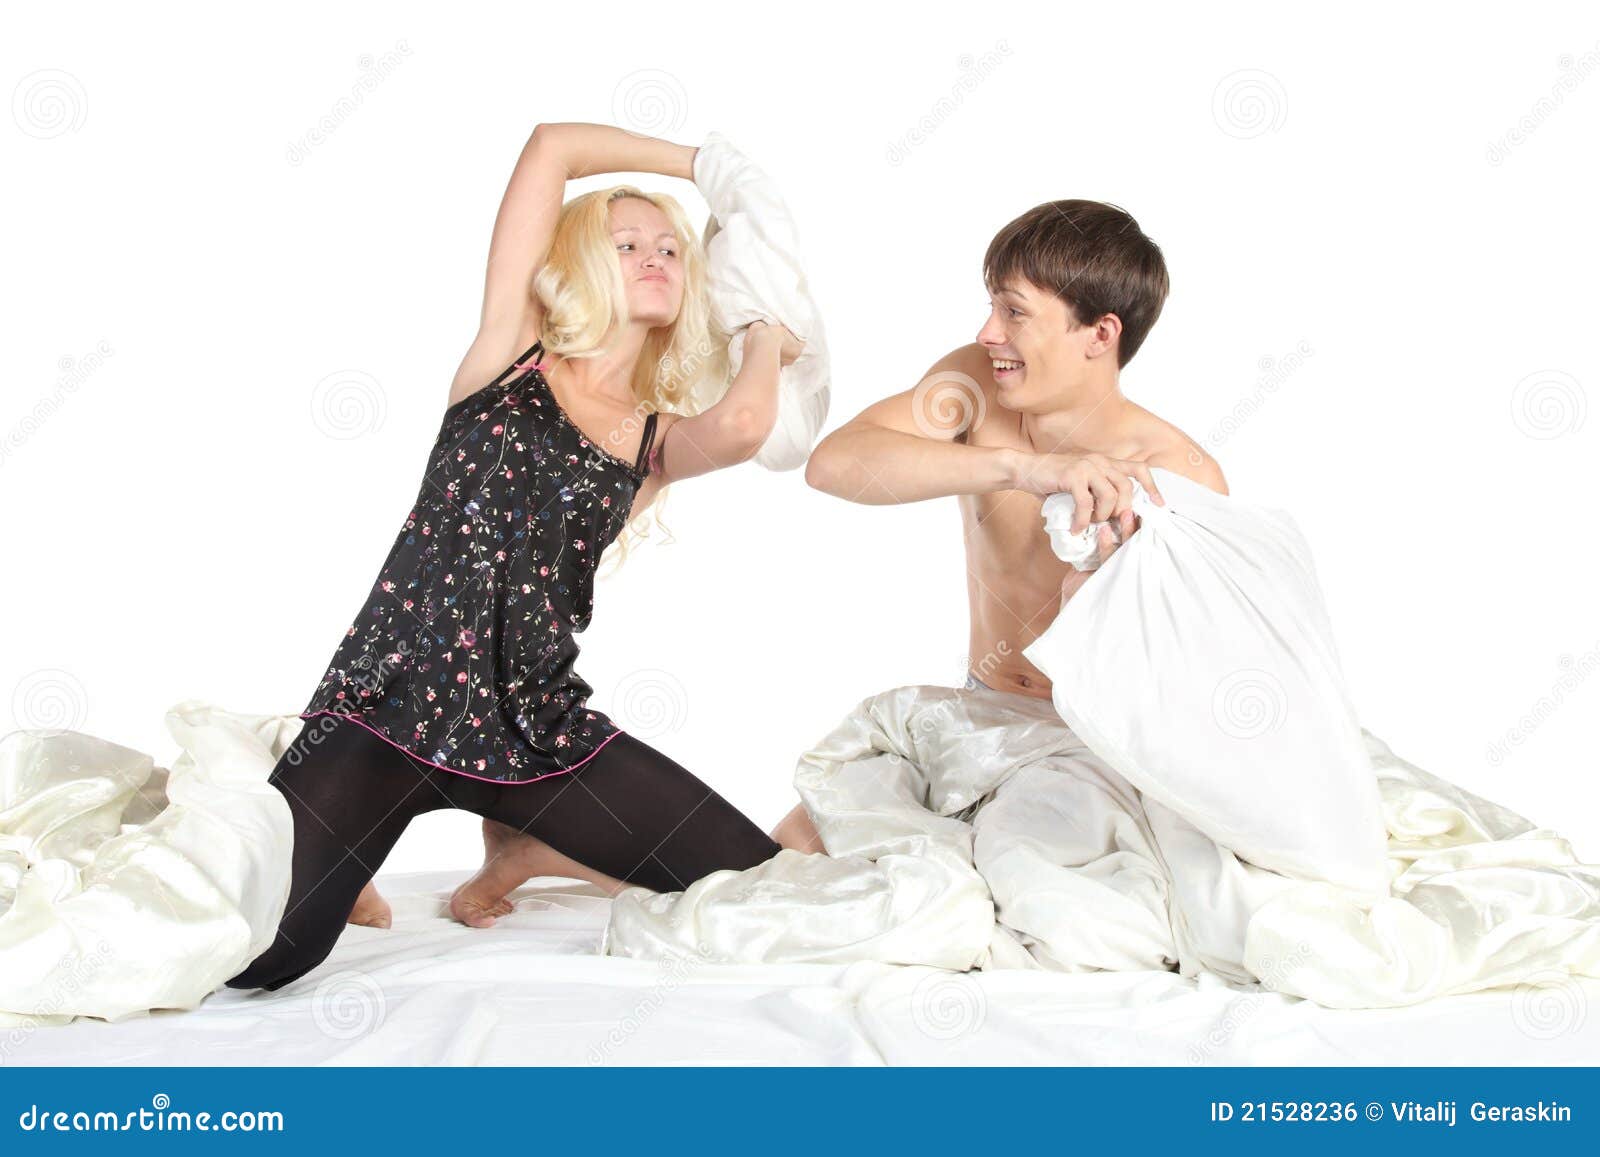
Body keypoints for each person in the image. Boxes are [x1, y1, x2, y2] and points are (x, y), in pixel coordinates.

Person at [228, 122, 809, 992]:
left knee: (757, 884)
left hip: (537, 731)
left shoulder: (649, 439)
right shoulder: (513, 350)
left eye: (670, 248)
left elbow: (741, 425)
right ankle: (347, 854)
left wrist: (764, 328)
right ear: (578, 262)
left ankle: (535, 848)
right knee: (267, 959)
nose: (655, 256)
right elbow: (551, 148)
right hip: (385, 712)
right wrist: (705, 165)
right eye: (627, 243)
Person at [776, 197, 1223, 849]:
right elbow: (835, 463)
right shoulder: (976, 383)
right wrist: (1020, 469)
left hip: (1095, 745)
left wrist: (1106, 576)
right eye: (991, 306)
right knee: (789, 853)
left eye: (1014, 311)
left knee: (995, 897)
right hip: (978, 709)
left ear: (1100, 334)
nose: (989, 332)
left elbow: (1190, 672)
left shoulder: (1180, 474)